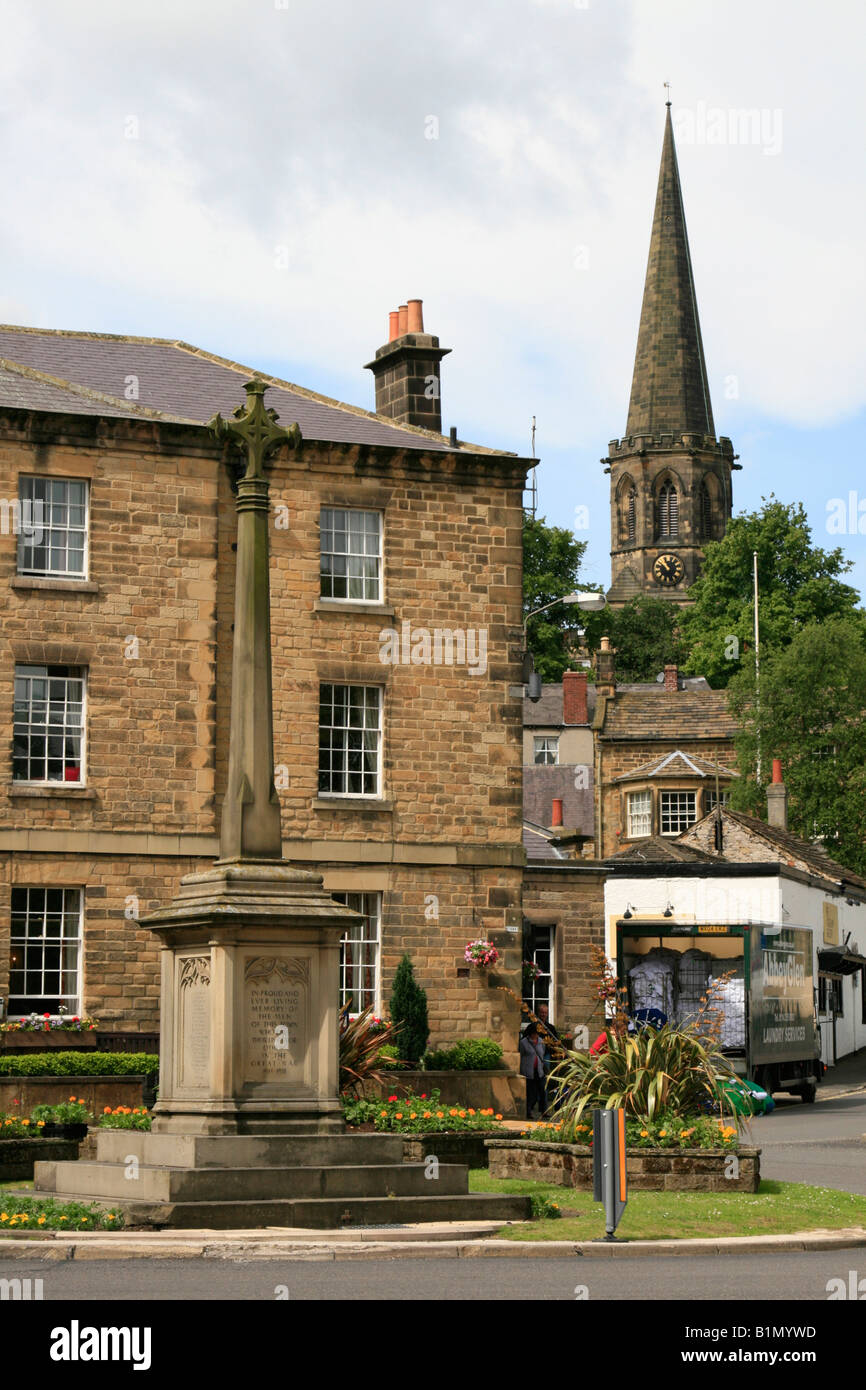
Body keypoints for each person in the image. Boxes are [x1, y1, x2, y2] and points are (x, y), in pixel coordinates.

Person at [519, 1023, 547, 1120]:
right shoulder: (523, 1043)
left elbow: (542, 1053)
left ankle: (544, 1111)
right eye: (534, 1033)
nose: (536, 1035)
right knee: (531, 1094)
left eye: (537, 1033)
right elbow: (521, 1055)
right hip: (528, 1071)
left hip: (539, 1071)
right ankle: (528, 1111)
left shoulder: (541, 1042)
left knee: (543, 1091)